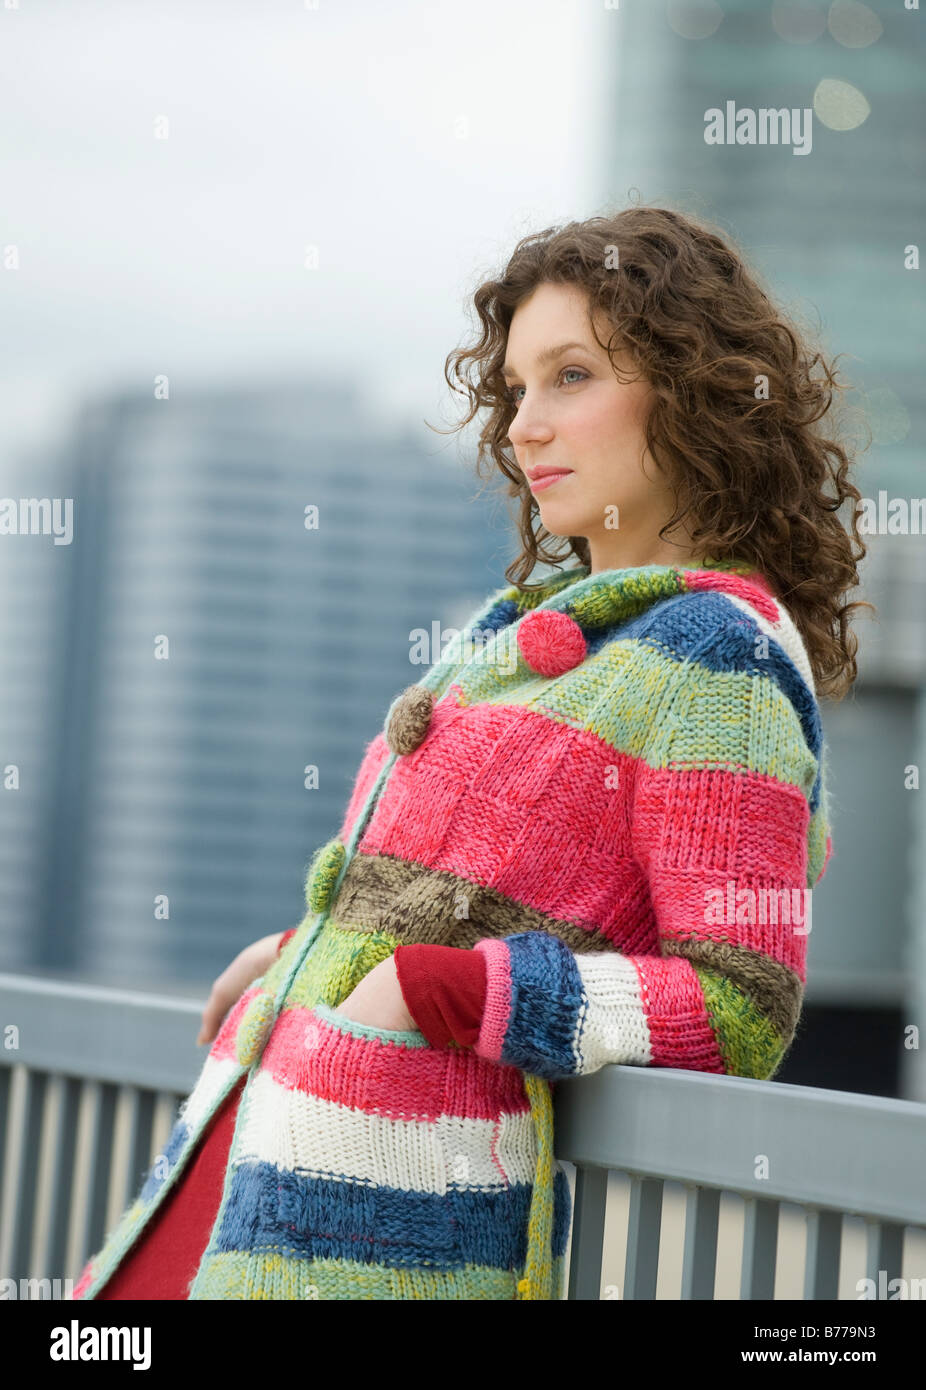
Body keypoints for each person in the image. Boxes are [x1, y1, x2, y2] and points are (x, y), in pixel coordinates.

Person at [71, 204, 870, 1302]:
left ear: (693, 392)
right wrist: (313, 949)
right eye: (515, 388)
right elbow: (460, 898)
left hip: (376, 1227)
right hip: (253, 1159)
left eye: (572, 375)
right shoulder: (515, 630)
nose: (524, 426)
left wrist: (431, 990)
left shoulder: (714, 655)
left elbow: (737, 1006)